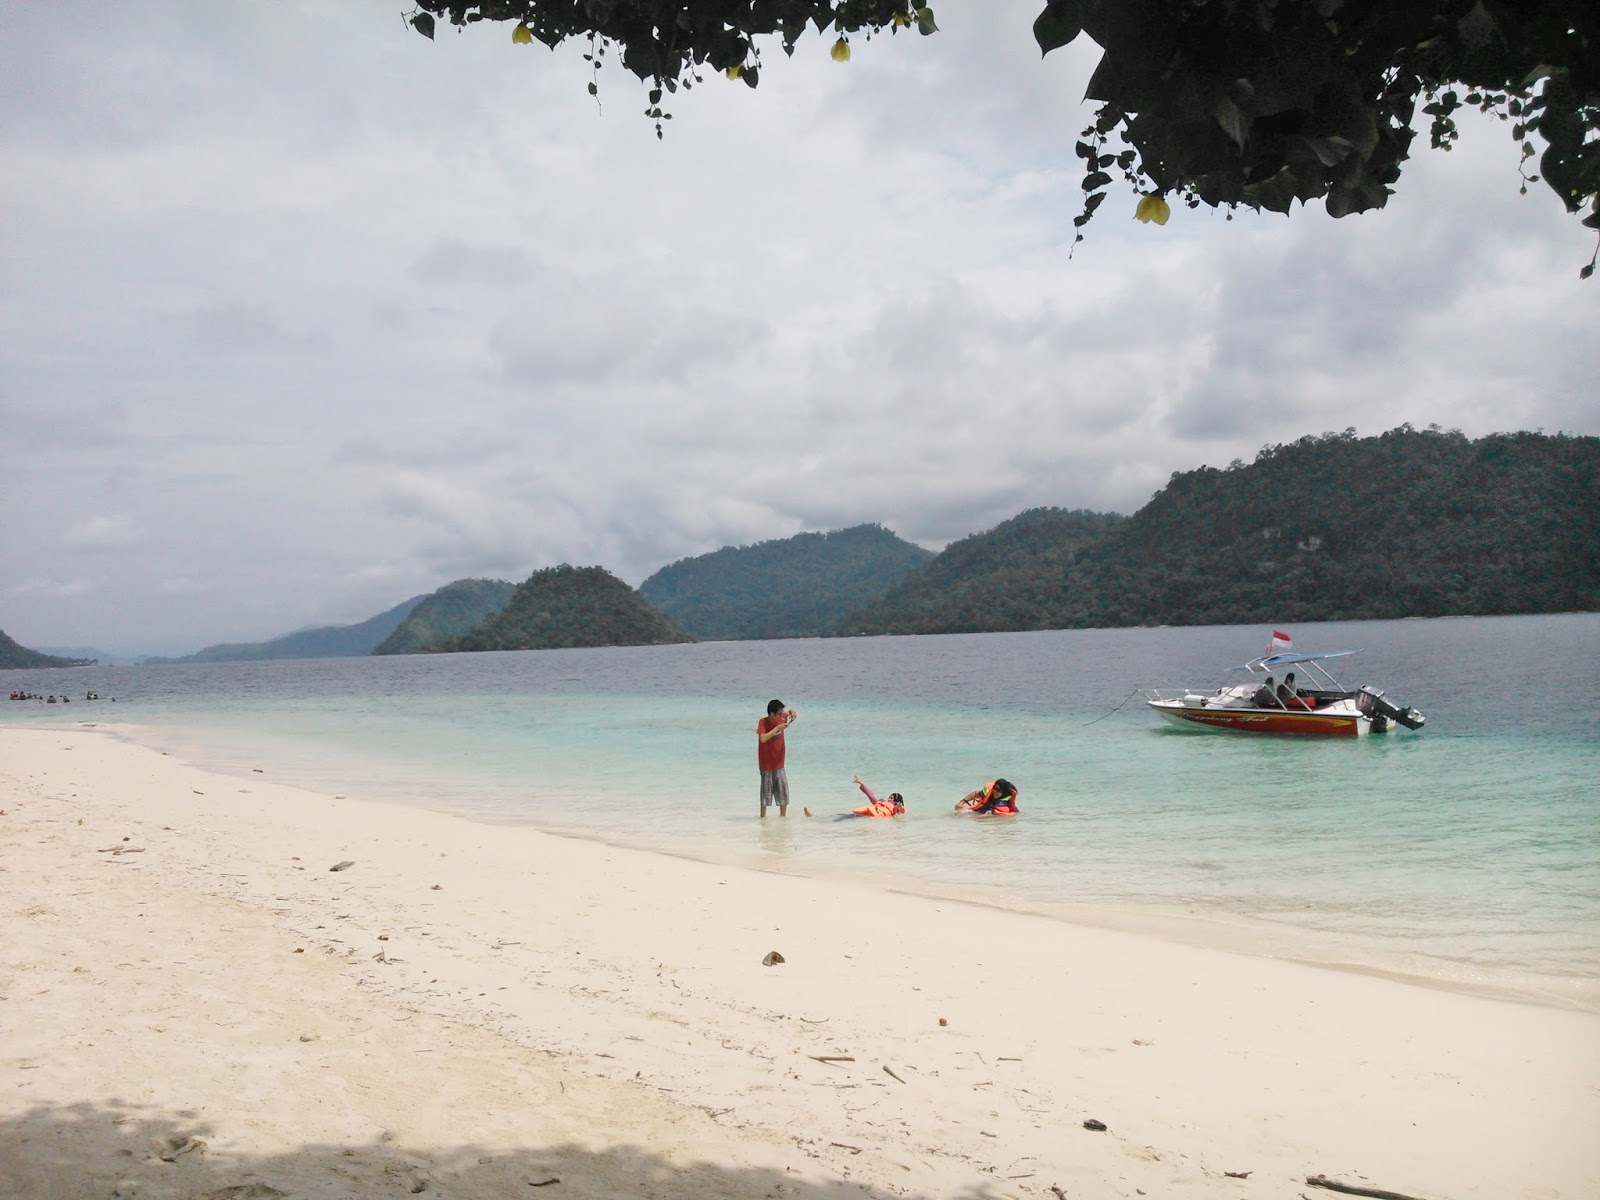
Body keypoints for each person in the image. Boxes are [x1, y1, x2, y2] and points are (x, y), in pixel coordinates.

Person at [756, 699, 797, 818]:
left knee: (783, 795)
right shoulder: (762, 722)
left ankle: (782, 820)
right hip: (766, 766)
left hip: (780, 764)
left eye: (781, 713)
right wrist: (777, 729)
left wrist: (793, 712)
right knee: (765, 798)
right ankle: (762, 821)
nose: (781, 715)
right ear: (771, 714)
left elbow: (789, 712)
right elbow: (763, 739)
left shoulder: (782, 717)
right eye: (779, 714)